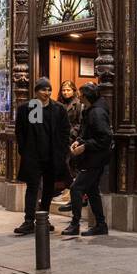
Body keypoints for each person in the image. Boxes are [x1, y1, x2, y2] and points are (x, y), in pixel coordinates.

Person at [13, 77, 71, 235]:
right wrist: (25, 150)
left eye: (49, 89)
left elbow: (65, 131)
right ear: (36, 91)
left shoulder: (58, 109)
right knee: (32, 187)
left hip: (52, 155)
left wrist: (61, 150)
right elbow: (22, 132)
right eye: (43, 89)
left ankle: (43, 219)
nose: (47, 92)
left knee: (48, 189)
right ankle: (29, 220)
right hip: (34, 156)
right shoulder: (31, 107)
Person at [64, 82, 113, 237]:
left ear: (86, 96)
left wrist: (85, 146)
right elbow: (88, 132)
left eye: (80, 94)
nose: (78, 96)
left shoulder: (96, 112)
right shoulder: (91, 109)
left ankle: (75, 224)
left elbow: (104, 138)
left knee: (76, 188)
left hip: (95, 159)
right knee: (92, 191)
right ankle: (100, 224)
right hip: (95, 158)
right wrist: (79, 140)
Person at [56, 81, 83, 215]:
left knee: (72, 165)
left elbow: (79, 122)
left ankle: (76, 194)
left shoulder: (77, 104)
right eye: (63, 90)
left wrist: (72, 134)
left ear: (73, 90)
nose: (65, 92)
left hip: (72, 139)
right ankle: (69, 191)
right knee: (65, 165)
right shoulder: (59, 104)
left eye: (68, 90)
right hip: (61, 140)